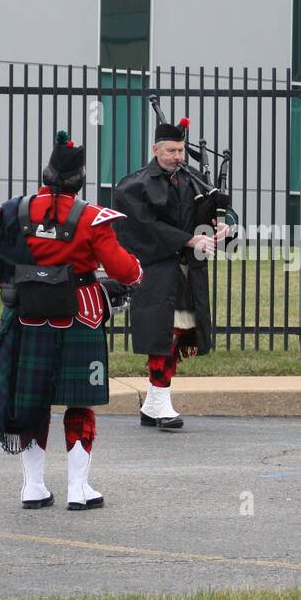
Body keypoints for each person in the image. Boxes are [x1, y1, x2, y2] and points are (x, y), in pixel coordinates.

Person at [0, 131, 142, 510]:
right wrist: (136, 272)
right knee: (79, 403)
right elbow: (124, 269)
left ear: (46, 174)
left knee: (32, 403)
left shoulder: (13, 210)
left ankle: (33, 487)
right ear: (79, 180)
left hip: (26, 317)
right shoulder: (92, 217)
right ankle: (78, 490)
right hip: (80, 315)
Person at [113, 117, 227, 430]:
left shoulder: (191, 181)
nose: (177, 156)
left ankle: (153, 403)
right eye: (170, 150)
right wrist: (188, 239)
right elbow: (143, 226)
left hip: (187, 272)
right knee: (164, 336)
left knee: (177, 337)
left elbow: (206, 215)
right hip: (157, 272)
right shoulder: (134, 185)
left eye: (180, 150)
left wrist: (222, 226)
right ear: (155, 149)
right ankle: (162, 401)